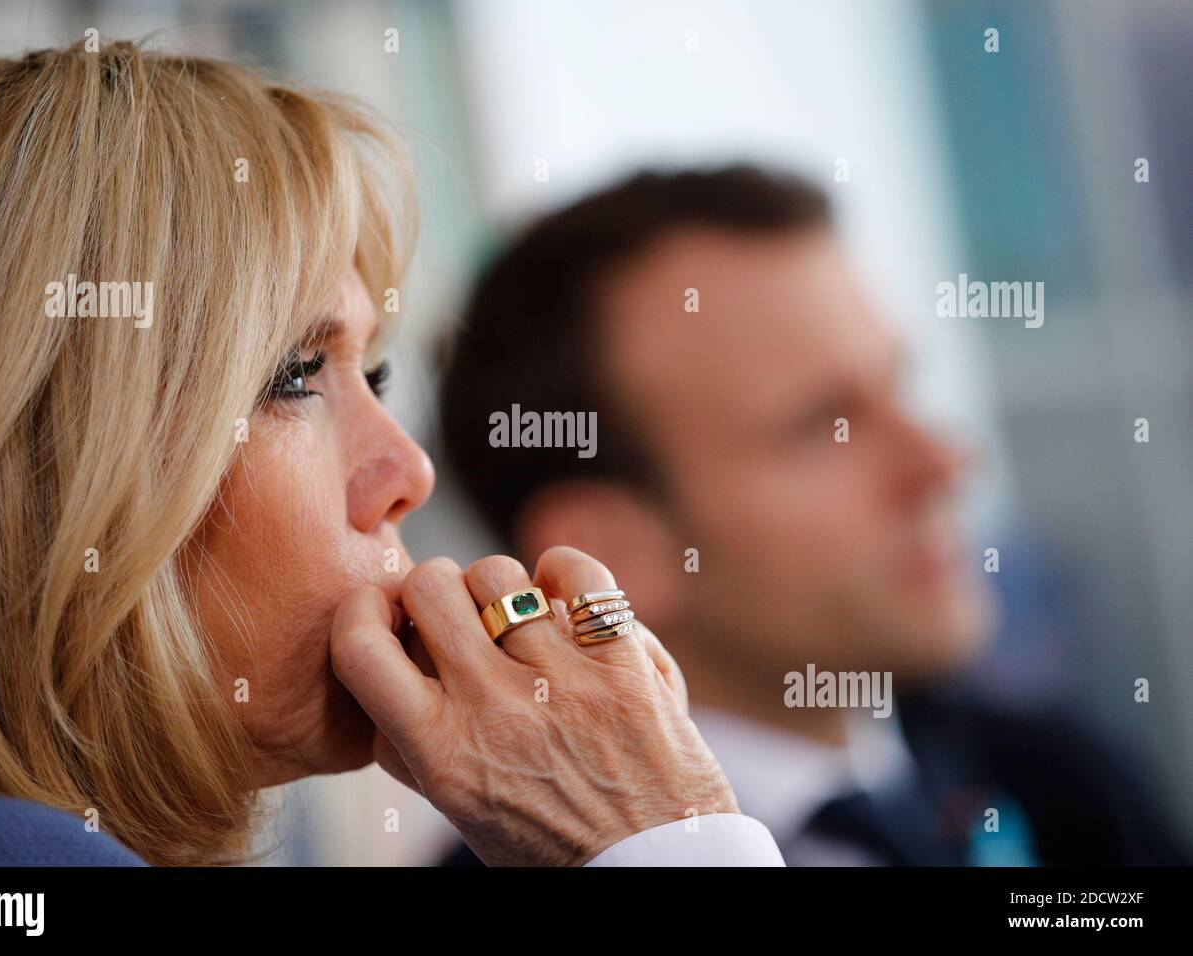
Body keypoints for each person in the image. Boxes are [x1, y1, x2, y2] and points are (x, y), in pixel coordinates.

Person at [0, 42, 783, 866]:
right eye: (293, 376)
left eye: (377, 377)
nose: (409, 471)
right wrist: (663, 833)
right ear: (37, 474)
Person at [438, 167, 1190, 866]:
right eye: (824, 423)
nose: (944, 463)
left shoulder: (1072, 788)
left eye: (899, 386)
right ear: (607, 554)